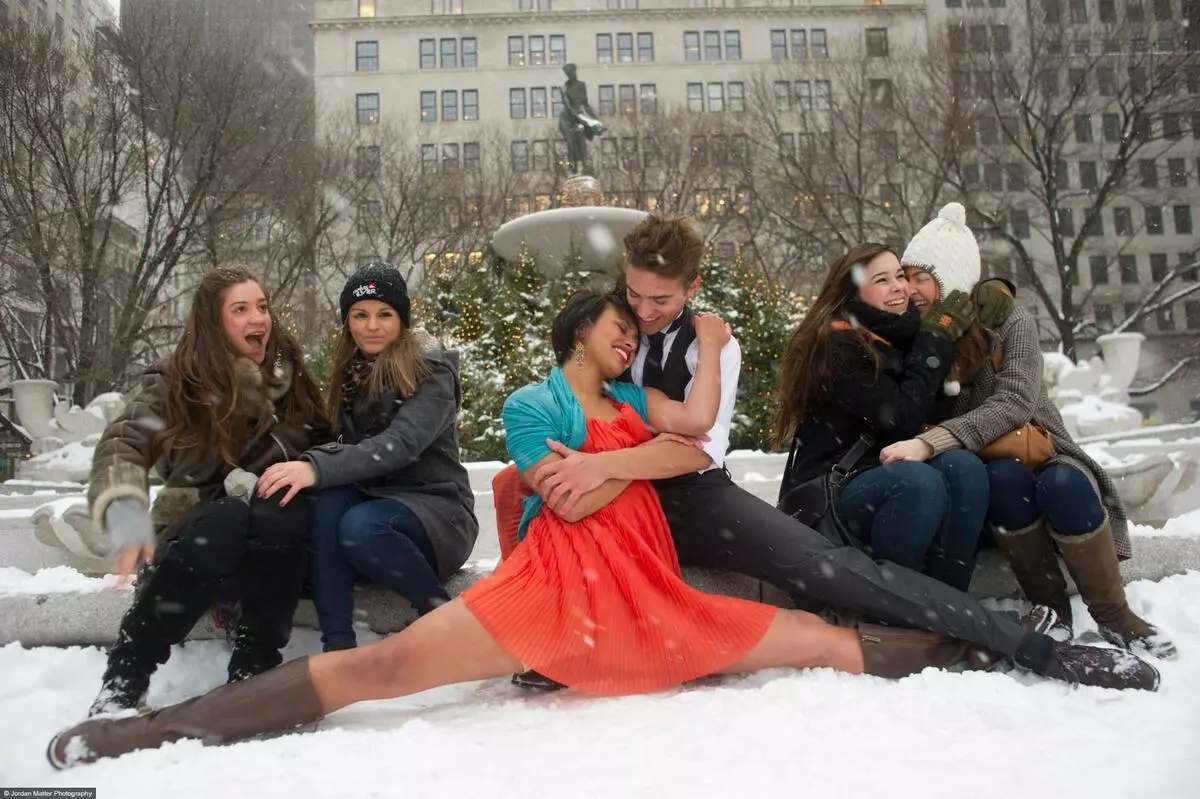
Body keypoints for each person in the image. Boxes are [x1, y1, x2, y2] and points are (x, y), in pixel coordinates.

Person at [50, 290, 1068, 770]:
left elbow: (692, 444)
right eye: (616, 328)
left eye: (637, 332)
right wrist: (597, 467)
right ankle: (150, 727)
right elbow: (559, 489)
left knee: (832, 642)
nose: (631, 337)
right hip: (552, 596)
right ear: (578, 333)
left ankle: (986, 643)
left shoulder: (642, 399)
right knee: (376, 669)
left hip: (651, 604)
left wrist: (693, 364)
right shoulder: (539, 401)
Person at [491, 212, 1157, 693]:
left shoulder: (713, 344)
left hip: (695, 496)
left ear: (692, 288)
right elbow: (563, 424)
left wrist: (603, 464)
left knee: (839, 572)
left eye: (659, 299)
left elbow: (696, 449)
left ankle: (1031, 649)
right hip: (621, 503)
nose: (642, 310)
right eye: (632, 294)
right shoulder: (609, 329)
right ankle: (547, 647)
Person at [880, 225, 1177, 660]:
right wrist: (935, 342)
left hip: (1041, 446)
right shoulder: (913, 336)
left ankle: (1114, 614)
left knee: (1065, 484)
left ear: (951, 278)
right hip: (982, 472)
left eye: (921, 276)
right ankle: (1052, 609)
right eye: (905, 277)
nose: (910, 287)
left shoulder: (1008, 318)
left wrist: (938, 439)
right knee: (1002, 480)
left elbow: (1017, 400)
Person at [82, 267, 329, 716]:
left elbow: (328, 440)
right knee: (226, 518)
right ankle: (125, 676)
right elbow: (125, 440)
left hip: (274, 548)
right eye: (240, 309)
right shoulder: (176, 382)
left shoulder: (289, 381)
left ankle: (253, 670)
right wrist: (124, 508)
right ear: (215, 323)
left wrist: (309, 467)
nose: (259, 318)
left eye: (262, 306)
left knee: (280, 505)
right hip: (194, 542)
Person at [257, 263, 478, 653]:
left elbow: (401, 444)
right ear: (347, 322)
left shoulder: (431, 371)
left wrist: (316, 467)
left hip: (438, 514)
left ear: (402, 318)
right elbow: (338, 441)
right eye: (360, 315)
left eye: (384, 314)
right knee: (329, 502)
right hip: (379, 508)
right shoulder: (354, 373)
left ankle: (444, 621)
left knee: (360, 525)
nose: (371, 326)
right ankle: (338, 646)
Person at [775, 222, 988, 592]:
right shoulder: (838, 345)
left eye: (901, 277)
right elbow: (901, 418)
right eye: (883, 280)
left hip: (881, 475)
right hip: (836, 490)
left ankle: (949, 602)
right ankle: (892, 606)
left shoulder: (903, 335)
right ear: (854, 292)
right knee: (917, 481)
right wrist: (933, 342)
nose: (900, 288)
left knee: (964, 466)